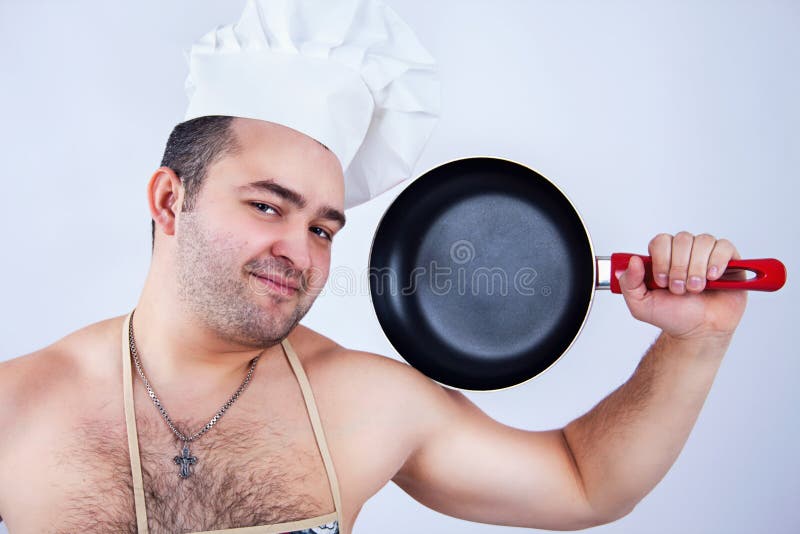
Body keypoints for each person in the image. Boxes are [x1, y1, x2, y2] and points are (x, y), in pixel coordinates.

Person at [0, 1, 749, 533]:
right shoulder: (15, 406)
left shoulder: (365, 403)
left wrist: (696, 340)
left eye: (324, 226)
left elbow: (585, 485)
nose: (299, 250)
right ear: (170, 199)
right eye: (267, 206)